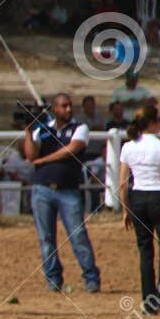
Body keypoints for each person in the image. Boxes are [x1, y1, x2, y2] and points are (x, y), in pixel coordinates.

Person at [23, 92, 101, 293]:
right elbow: (30, 154)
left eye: (69, 105)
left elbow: (71, 149)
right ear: (55, 109)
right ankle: (53, 278)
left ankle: (91, 276)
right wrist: (28, 130)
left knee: (77, 235)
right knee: (46, 237)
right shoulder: (42, 131)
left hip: (68, 190)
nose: (68, 109)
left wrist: (43, 160)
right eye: (63, 106)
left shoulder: (79, 128)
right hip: (42, 189)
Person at [119, 103, 160, 312]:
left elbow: (122, 183)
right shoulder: (159, 146)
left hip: (138, 199)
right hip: (158, 196)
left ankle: (148, 301)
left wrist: (125, 209)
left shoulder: (128, 147)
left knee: (145, 251)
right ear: (152, 123)